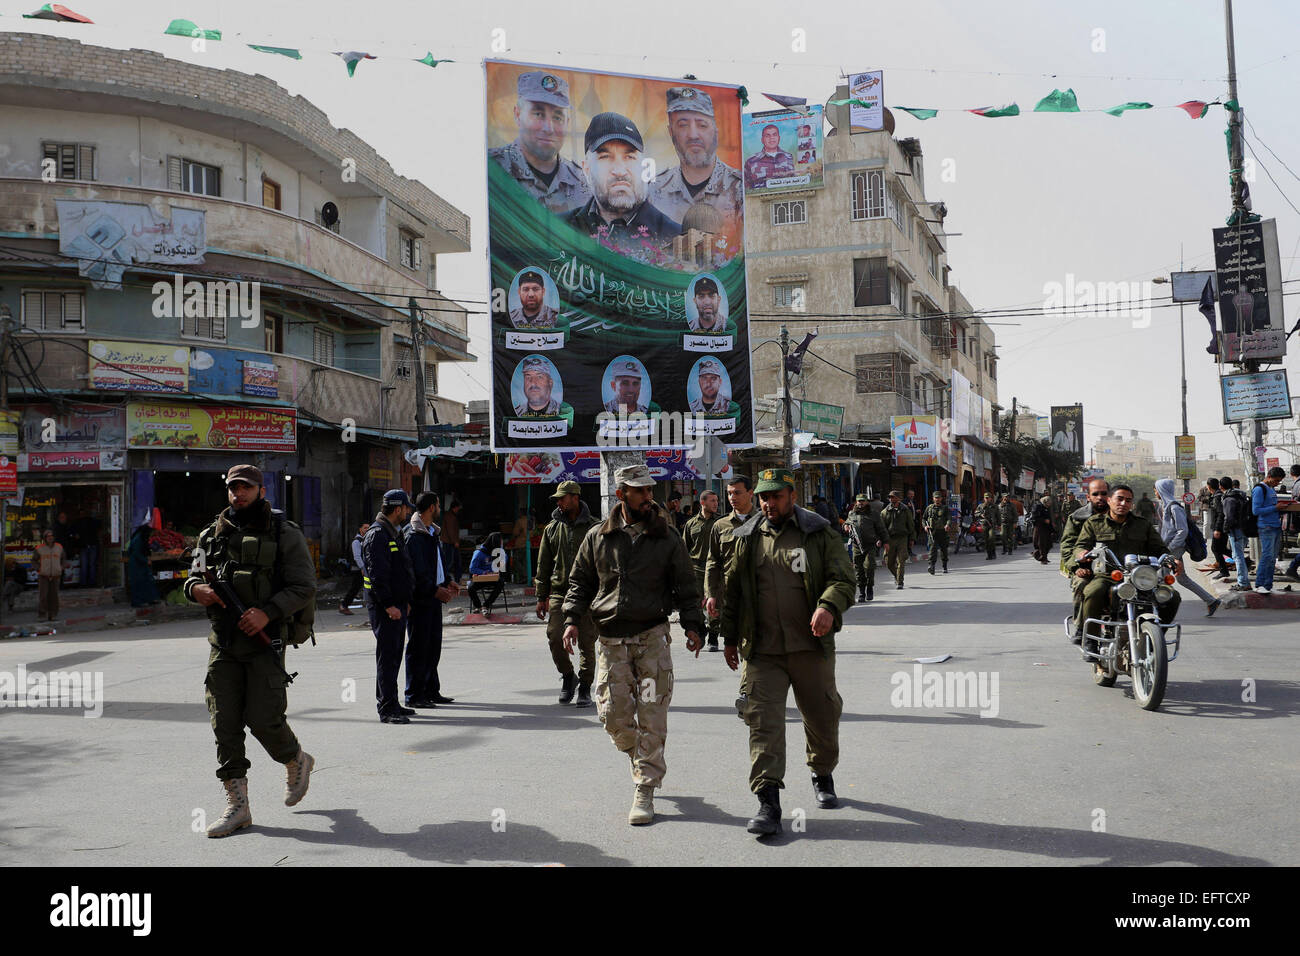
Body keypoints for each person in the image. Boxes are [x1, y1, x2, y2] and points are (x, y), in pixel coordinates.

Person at [561, 464, 703, 826]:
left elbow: (687, 585)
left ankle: (645, 788)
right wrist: (571, 620)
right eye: (639, 491)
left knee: (652, 712)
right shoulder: (598, 536)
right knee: (612, 716)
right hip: (610, 640)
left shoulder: (667, 537)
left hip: (652, 638)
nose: (647, 496)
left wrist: (693, 626)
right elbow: (580, 582)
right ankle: (640, 754)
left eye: (649, 490)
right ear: (621, 493)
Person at [719, 466, 855, 837]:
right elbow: (733, 591)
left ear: (792, 496)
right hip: (763, 651)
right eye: (764, 496)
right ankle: (768, 803)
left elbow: (844, 579)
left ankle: (821, 771)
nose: (769, 503)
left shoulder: (818, 533)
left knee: (823, 716)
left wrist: (827, 606)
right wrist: (729, 638)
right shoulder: (745, 537)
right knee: (762, 722)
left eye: (776, 496)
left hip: (810, 647)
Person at [184, 464, 316, 837]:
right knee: (223, 722)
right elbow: (193, 575)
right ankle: (238, 806)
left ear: (260, 489)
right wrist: (195, 590)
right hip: (223, 643)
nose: (238, 494)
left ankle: (295, 759)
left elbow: (304, 585)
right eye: (232, 488)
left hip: (264, 642)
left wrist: (267, 612)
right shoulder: (211, 535)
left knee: (263, 718)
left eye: (245, 487)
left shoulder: (284, 533)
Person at [1069, 484, 1181, 647]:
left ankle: (1153, 638)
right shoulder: (1094, 523)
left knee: (1172, 596)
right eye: (1119, 499)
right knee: (1093, 592)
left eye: (1128, 500)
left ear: (1132, 504)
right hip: (1108, 575)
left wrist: (1172, 559)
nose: (1123, 503)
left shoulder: (1143, 525)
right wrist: (1082, 554)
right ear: (1109, 501)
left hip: (1139, 577)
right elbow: (1080, 545)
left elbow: (1160, 549)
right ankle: (1091, 639)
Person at [565, 113, 682, 253]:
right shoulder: (558, 228)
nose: (620, 171)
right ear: (586, 169)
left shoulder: (676, 238)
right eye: (605, 157)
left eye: (629, 157)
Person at [488, 70, 590, 214]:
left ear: (567, 122)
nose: (548, 128)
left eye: (557, 117)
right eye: (538, 114)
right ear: (518, 115)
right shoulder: (490, 169)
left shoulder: (582, 183)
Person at [651, 86, 744, 240]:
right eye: (683, 125)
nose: (693, 135)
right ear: (671, 132)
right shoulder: (653, 191)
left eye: (702, 125)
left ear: (715, 131)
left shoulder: (740, 188)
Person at [535, 481, 598, 705]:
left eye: (562, 498)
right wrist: (541, 597)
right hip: (560, 594)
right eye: (558, 499)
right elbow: (543, 566)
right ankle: (568, 676)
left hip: (589, 595)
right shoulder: (552, 529)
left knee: (587, 642)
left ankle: (586, 686)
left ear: (575, 497)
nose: (559, 502)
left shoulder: (595, 527)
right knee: (554, 636)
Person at [363, 489, 417, 725]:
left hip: (396, 605)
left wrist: (404, 602)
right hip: (385, 608)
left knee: (394, 656)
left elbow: (399, 570)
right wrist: (388, 605)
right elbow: (377, 577)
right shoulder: (378, 535)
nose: (408, 512)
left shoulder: (391, 532)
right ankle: (386, 708)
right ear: (398, 509)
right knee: (387, 657)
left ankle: (393, 703)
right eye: (406, 508)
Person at [403, 492, 459, 709]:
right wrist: (434, 590)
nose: (439, 508)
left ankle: (431, 690)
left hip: (434, 598)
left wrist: (448, 581)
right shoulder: (413, 535)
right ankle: (414, 694)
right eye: (437, 504)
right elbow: (418, 572)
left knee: (433, 646)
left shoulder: (430, 532)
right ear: (430, 508)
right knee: (418, 647)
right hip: (421, 600)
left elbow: (437, 562)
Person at [1154, 478, 1221, 616]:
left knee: (1161, 577)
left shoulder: (1174, 507)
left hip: (1174, 547)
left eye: (1156, 489)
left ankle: (1160, 609)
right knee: (1182, 578)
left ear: (1162, 490)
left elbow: (1182, 530)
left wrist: (1171, 547)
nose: (1155, 492)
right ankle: (1210, 600)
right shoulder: (1166, 506)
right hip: (1170, 546)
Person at [704, 474, 758, 635]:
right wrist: (711, 595)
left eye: (737, 492)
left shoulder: (763, 522)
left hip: (759, 594)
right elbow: (713, 562)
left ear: (750, 493)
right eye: (729, 493)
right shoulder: (720, 526)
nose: (732, 497)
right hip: (730, 596)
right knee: (732, 641)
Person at [1059, 478, 1110, 642]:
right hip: (1087, 567)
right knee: (1081, 583)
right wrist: (1076, 567)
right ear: (1088, 497)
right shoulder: (1077, 517)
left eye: (1104, 493)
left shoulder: (1120, 514)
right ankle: (1082, 628)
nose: (1100, 497)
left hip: (1116, 568)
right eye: (1096, 494)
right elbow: (1067, 546)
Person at [682, 489, 721, 651]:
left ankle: (713, 636)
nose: (716, 504)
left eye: (717, 501)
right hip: (696, 569)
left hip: (714, 570)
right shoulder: (691, 524)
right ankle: (701, 630)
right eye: (712, 501)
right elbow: (685, 549)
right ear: (703, 503)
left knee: (714, 604)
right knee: (696, 604)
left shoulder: (719, 523)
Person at [1251, 466, 1288, 594]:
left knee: (1272, 557)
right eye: (1276, 480)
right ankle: (1259, 584)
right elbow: (1256, 511)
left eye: (1279, 481)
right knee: (1266, 556)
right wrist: (1275, 508)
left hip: (1275, 526)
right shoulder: (1259, 489)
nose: (1277, 483)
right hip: (1266, 526)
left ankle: (1268, 585)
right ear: (1269, 477)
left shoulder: (1271, 489)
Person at [845, 492, 887, 602]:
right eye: (859, 501)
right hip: (856, 545)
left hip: (870, 545)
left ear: (866, 502)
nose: (861, 503)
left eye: (863, 501)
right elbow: (846, 523)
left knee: (869, 567)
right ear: (856, 502)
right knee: (858, 570)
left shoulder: (873, 513)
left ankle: (869, 588)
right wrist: (845, 526)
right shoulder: (852, 513)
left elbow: (881, 528)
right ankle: (862, 593)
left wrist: (885, 541)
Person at [1221, 475, 1253, 592]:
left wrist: (1225, 528)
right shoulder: (1240, 496)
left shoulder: (1229, 499)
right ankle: (1245, 582)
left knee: (1237, 556)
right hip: (1243, 529)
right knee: (1238, 556)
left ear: (1221, 486)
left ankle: (1243, 583)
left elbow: (1229, 518)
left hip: (1235, 530)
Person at [881, 490, 915, 589]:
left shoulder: (905, 510)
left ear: (899, 498)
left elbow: (911, 525)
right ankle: (897, 576)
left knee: (901, 560)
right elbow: (881, 528)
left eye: (893, 497)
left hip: (902, 538)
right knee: (889, 562)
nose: (891, 499)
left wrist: (912, 539)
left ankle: (900, 582)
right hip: (890, 539)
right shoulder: (884, 512)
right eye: (890, 497)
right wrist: (881, 540)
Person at [743, 123, 795, 189]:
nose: (771, 138)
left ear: (779, 138)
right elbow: (746, 188)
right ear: (762, 140)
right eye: (767, 136)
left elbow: (793, 182)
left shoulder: (788, 157)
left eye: (774, 135)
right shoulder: (751, 161)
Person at [468, 533, 506, 612]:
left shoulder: (499, 552)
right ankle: (478, 606)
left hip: (494, 578)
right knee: (470, 588)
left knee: (501, 583)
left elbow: (502, 565)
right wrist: (484, 572)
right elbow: (472, 569)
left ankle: (486, 605)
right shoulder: (479, 553)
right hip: (482, 578)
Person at [338, 521, 369, 615]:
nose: (367, 530)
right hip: (358, 569)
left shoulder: (365, 540)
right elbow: (357, 557)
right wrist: (362, 568)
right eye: (365, 528)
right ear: (360, 529)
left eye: (369, 528)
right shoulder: (356, 541)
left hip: (364, 568)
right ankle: (343, 605)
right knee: (355, 588)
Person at [34, 530, 66, 621]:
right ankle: (42, 615)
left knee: (54, 596)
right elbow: (34, 560)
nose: (50, 537)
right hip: (44, 575)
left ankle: (53, 614)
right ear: (45, 538)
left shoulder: (59, 547)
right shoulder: (39, 548)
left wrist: (61, 567)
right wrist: (38, 569)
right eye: (48, 536)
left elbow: (63, 558)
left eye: (51, 536)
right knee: (43, 596)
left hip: (55, 575)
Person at [126, 523, 160, 607]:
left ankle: (150, 599)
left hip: (140, 563)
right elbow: (136, 553)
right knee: (138, 583)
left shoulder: (141, 537)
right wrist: (146, 560)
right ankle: (137, 602)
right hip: (136, 564)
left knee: (147, 581)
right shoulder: (138, 539)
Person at [1202, 478, 1229, 578]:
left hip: (1220, 527)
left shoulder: (1217, 497)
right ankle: (1245, 562)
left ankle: (1224, 571)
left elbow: (1220, 514)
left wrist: (1217, 529)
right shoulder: (1218, 495)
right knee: (1222, 549)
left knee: (1215, 548)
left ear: (1209, 487)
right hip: (1222, 526)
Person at [921, 490, 951, 575]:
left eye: (938, 497)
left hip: (943, 532)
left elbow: (949, 518)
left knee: (943, 550)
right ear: (933, 498)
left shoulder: (945, 508)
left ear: (941, 498)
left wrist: (947, 525)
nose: (937, 499)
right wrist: (925, 526)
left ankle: (944, 566)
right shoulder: (929, 508)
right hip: (932, 532)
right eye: (935, 497)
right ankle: (931, 566)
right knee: (932, 549)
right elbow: (924, 519)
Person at [440, 499, 464, 583]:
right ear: (455, 507)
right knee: (449, 562)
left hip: (451, 542)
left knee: (456, 561)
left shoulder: (451, 515)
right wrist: (455, 541)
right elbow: (450, 530)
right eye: (458, 508)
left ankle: (457, 578)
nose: (458, 510)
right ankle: (444, 579)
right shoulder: (449, 516)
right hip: (449, 543)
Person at [1029, 495, 1054, 564]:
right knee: (1041, 544)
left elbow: (1049, 518)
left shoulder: (1046, 507)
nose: (1049, 505)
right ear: (1045, 502)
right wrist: (1044, 520)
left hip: (1047, 528)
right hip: (1039, 528)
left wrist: (1052, 529)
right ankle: (1043, 559)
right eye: (1049, 503)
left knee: (1049, 544)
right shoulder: (1037, 506)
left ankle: (1038, 554)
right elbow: (1034, 517)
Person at [976, 492, 1000, 560]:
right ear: (984, 498)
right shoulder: (981, 506)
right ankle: (989, 555)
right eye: (985, 498)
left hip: (992, 525)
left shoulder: (994, 506)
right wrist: (980, 515)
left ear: (990, 498)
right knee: (986, 541)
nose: (986, 499)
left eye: (988, 498)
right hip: (984, 525)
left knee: (991, 538)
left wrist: (999, 525)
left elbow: (998, 516)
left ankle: (993, 552)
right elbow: (976, 513)